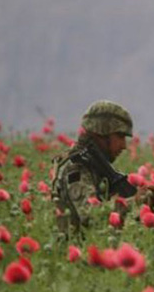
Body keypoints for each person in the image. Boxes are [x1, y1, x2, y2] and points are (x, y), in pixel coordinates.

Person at [50, 100, 145, 237]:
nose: (124, 145)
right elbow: (91, 216)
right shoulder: (77, 167)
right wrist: (133, 203)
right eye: (120, 136)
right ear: (102, 133)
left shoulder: (96, 165)